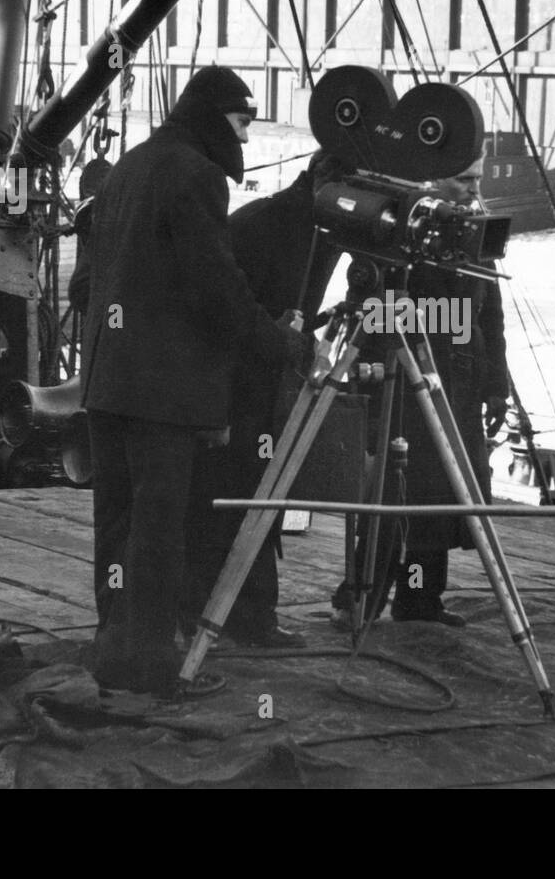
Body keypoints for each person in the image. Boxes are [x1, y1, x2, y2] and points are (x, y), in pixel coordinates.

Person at [79, 66, 304, 695]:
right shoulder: (196, 174)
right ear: (214, 117)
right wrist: (275, 341)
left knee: (116, 522)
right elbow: (214, 284)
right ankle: (150, 667)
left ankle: (114, 646)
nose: (245, 139)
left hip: (108, 382)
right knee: (157, 530)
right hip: (161, 392)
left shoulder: (130, 166)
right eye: (240, 124)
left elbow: (102, 273)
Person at [331, 152, 510, 627]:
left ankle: (420, 599)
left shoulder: (475, 232)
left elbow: (490, 316)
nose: (472, 189)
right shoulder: (398, 233)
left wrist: (497, 385)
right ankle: (360, 598)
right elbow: (373, 311)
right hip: (404, 383)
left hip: (460, 384)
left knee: (442, 500)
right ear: (431, 181)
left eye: (476, 180)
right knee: (395, 495)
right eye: (462, 180)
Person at [183, 149, 348, 648]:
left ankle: (236, 611)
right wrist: (277, 340)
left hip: (263, 378)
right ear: (324, 181)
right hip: (234, 381)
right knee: (240, 492)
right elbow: (224, 307)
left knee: (255, 492)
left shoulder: (320, 227)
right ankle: (237, 615)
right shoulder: (267, 223)